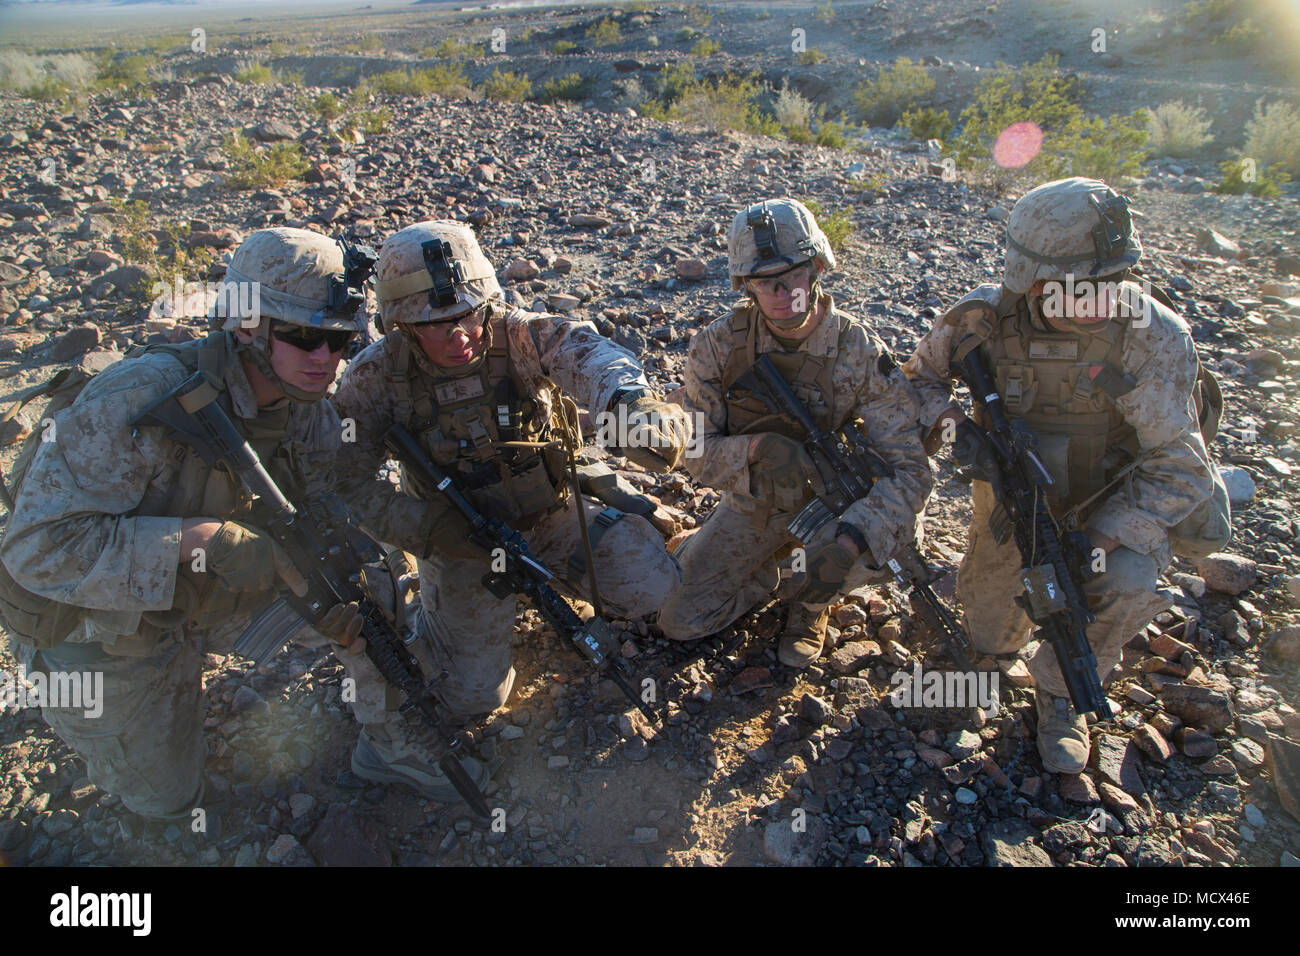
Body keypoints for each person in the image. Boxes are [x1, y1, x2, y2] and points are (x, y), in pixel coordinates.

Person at [0, 227, 450, 825]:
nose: (325, 359)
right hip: (105, 625)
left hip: (220, 592)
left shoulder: (307, 408)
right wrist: (201, 541)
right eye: (304, 336)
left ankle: (390, 743)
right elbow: (35, 551)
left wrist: (335, 590)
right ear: (246, 326)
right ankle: (71, 692)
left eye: (339, 341)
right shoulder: (139, 400)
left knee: (370, 581)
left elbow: (330, 503)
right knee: (167, 800)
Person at [332, 220, 689, 788]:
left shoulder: (520, 336)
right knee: (474, 698)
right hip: (459, 545)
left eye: (468, 314)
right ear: (400, 322)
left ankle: (549, 577)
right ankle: (429, 609)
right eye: (435, 324)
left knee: (654, 584)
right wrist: (427, 531)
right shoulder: (375, 377)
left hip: (549, 516)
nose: (460, 335)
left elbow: (587, 351)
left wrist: (632, 404)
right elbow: (347, 483)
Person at [902, 176, 1223, 774]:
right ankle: (990, 662)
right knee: (991, 622)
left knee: (1120, 578)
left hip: (1109, 503)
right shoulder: (982, 318)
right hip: (1008, 497)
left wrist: (1092, 542)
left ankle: (1058, 693)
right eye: (1081, 287)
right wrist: (953, 428)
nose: (1104, 298)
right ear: (1033, 280)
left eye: (1112, 281)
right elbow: (915, 383)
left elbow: (1182, 468)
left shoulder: (1152, 337)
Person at [657, 198, 933, 668]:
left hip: (838, 505)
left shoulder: (859, 350)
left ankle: (811, 605)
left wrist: (847, 546)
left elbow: (910, 470)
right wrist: (758, 449)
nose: (784, 293)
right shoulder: (718, 346)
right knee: (678, 620)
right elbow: (694, 450)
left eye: (795, 275)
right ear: (744, 285)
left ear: (819, 267)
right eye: (767, 283)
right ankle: (769, 574)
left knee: (893, 546)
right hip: (755, 504)